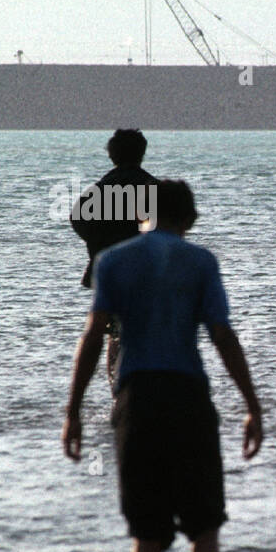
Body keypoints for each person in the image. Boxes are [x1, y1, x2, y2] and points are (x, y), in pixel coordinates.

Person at [62, 180, 263, 552]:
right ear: (189, 220)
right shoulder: (200, 262)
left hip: (137, 400)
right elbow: (222, 336)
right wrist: (252, 406)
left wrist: (72, 411)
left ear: (142, 217)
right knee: (205, 526)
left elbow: (93, 338)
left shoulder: (113, 261)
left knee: (146, 535)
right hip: (188, 396)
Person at [70, 129, 158, 387]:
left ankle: (117, 393)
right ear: (142, 153)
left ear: (112, 155)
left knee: (114, 335)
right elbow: (162, 229)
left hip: (107, 273)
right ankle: (142, 389)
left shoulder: (99, 189)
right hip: (146, 272)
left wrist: (99, 244)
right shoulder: (151, 187)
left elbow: (78, 221)